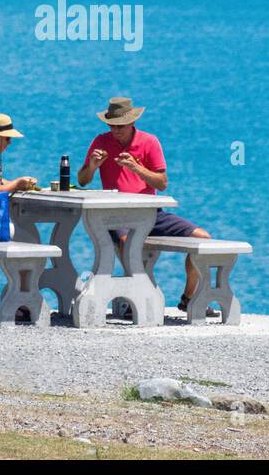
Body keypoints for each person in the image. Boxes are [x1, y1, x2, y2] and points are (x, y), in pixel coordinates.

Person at [76, 96, 215, 315]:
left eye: (120, 126)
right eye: (112, 125)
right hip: (115, 215)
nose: (116, 130)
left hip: (151, 214)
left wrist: (137, 168)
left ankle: (189, 297)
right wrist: (92, 166)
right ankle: (137, 296)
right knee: (126, 241)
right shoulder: (101, 141)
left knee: (203, 239)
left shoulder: (149, 142)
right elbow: (83, 180)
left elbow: (162, 183)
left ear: (132, 122)